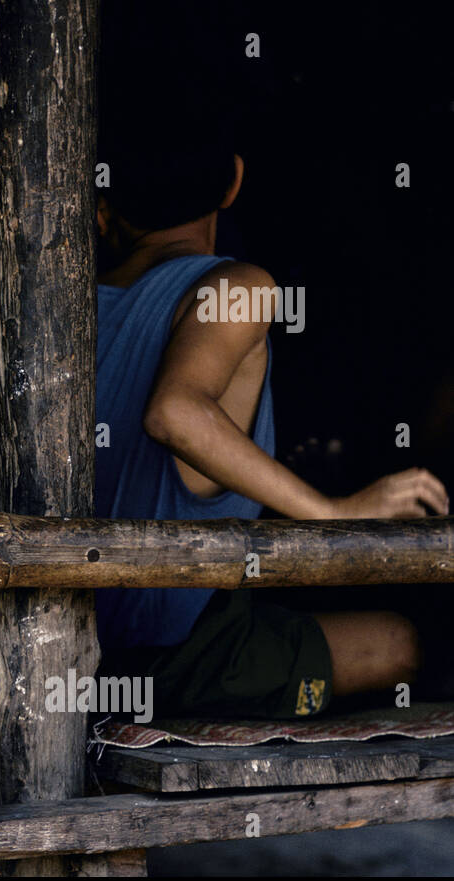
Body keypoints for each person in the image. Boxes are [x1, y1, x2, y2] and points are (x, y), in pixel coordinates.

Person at [93, 100, 448, 720]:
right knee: (406, 641)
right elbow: (174, 413)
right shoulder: (237, 286)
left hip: (77, 647)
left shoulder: (68, 301)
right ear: (233, 180)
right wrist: (334, 513)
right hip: (174, 654)